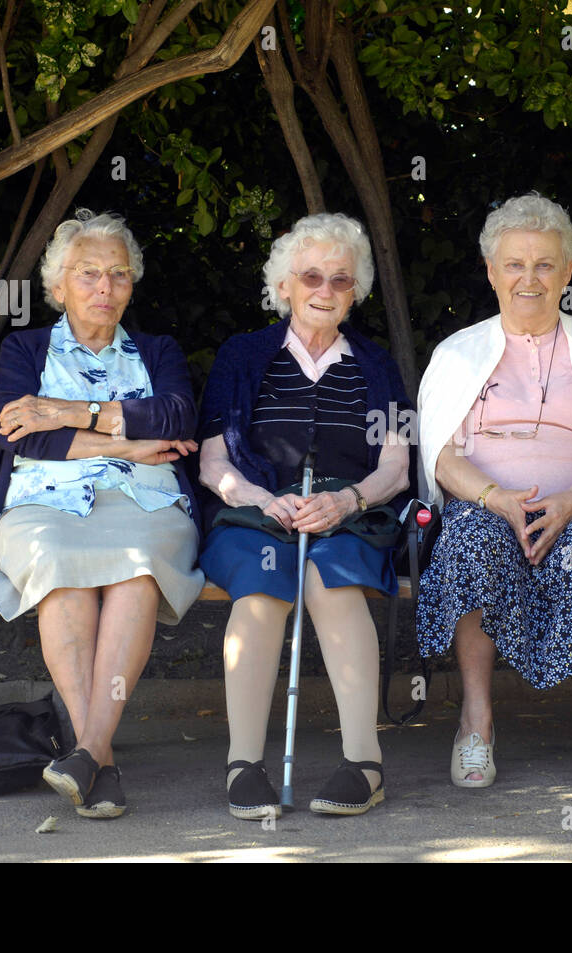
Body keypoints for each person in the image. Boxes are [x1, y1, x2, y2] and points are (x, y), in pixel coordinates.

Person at [416, 193, 572, 797]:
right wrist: (495, 497)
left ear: (567, 273)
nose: (529, 279)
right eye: (514, 264)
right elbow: (441, 457)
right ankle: (475, 725)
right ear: (490, 271)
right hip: (487, 503)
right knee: (471, 542)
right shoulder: (457, 353)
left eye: (544, 265)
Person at [0, 209, 205, 819]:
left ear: (131, 286)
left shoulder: (157, 351)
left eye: (118, 275)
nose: (104, 288)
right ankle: (96, 757)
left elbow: (179, 418)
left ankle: (89, 757)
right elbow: (18, 434)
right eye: (88, 275)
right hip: (44, 504)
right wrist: (127, 441)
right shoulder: (24, 348)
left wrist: (69, 412)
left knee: (138, 566)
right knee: (58, 568)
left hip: (146, 501)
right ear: (58, 287)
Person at [197, 212, 411, 820]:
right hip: (256, 512)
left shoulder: (376, 365)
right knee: (264, 584)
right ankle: (244, 763)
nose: (325, 289)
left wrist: (349, 501)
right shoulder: (243, 357)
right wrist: (262, 499)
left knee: (331, 578)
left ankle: (364, 764)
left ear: (355, 290)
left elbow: (397, 466)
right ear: (284, 286)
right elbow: (214, 462)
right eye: (310, 276)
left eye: (340, 279)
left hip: (350, 513)